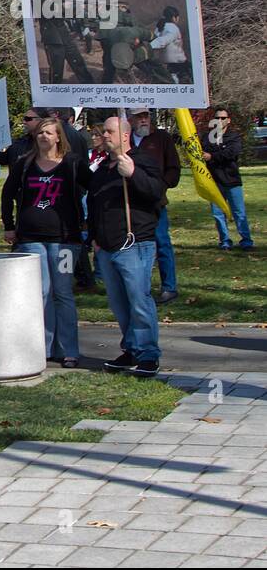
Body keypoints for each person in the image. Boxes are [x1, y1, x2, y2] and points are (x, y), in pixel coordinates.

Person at [1, 118, 84, 367]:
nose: (43, 136)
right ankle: (43, 347)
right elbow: (7, 193)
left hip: (65, 240)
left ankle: (69, 349)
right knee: (41, 292)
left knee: (62, 292)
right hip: (30, 238)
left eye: (49, 132)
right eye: (40, 132)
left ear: (59, 137)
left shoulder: (72, 163)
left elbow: (96, 189)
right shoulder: (24, 164)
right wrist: (9, 225)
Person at [91, 117, 166, 377]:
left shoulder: (142, 160)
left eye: (110, 131)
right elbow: (95, 204)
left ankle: (148, 354)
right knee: (120, 304)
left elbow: (157, 193)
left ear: (125, 135)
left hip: (135, 243)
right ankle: (131, 348)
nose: (105, 135)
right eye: (104, 131)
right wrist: (94, 239)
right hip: (107, 246)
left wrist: (133, 173)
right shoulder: (102, 168)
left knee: (138, 300)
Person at [128, 109, 181, 304]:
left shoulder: (161, 138)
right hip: (130, 203)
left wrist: (160, 187)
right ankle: (140, 287)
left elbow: (173, 168)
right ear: (130, 119)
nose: (143, 119)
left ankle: (169, 287)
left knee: (162, 242)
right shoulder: (125, 138)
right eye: (139, 116)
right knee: (134, 245)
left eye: (146, 115)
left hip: (155, 202)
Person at [201, 109, 254, 251]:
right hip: (214, 183)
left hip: (232, 181)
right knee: (218, 214)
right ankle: (224, 241)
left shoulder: (233, 137)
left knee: (239, 212)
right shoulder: (208, 137)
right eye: (217, 118)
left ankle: (246, 240)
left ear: (228, 120)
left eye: (223, 118)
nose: (219, 121)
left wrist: (212, 157)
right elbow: (201, 152)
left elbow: (232, 153)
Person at [150, 7, 189, 83]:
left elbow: (155, 38)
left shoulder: (160, 27)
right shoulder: (173, 28)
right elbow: (163, 40)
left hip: (164, 61)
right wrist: (149, 46)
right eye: (177, 17)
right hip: (177, 63)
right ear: (174, 17)